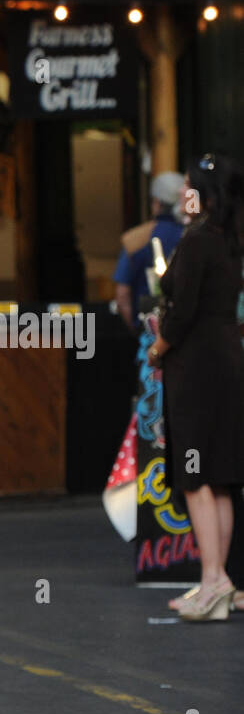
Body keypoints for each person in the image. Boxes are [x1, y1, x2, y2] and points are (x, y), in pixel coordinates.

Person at [148, 155, 244, 620]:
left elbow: (181, 310)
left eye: (189, 186)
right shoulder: (229, 239)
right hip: (227, 360)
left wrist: (158, 348)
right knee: (221, 478)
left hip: (197, 368)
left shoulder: (198, 240)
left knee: (198, 477)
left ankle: (213, 579)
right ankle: (218, 581)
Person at [115, 171, 186, 335]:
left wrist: (138, 331)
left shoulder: (135, 239)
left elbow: (122, 295)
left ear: (156, 203)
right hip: (189, 332)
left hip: (149, 327)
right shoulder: (194, 236)